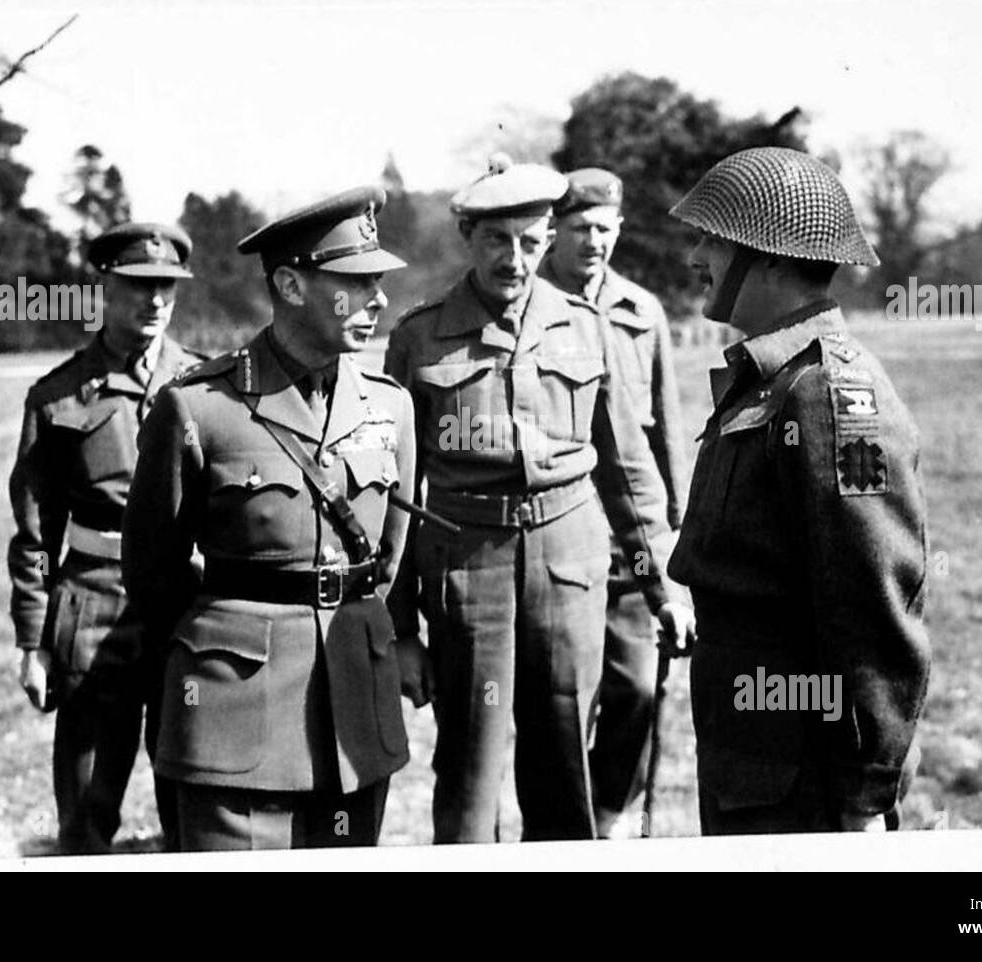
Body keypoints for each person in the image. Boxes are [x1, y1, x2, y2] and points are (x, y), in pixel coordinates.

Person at [384, 154, 695, 844]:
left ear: (549, 238)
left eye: (530, 241)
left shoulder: (586, 326)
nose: (515, 259)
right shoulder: (420, 335)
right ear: (468, 237)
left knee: (562, 762)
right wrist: (402, 630)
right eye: (497, 240)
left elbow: (627, 471)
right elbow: (397, 498)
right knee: (469, 769)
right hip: (468, 569)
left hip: (569, 566)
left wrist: (664, 586)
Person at [121, 186, 416, 850]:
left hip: (355, 717)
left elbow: (387, 560)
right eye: (356, 282)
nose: (377, 299)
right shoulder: (199, 407)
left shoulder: (389, 407)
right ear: (290, 284)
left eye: (378, 282)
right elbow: (153, 572)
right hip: (235, 719)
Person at [667, 146, 931, 834]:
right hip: (750, 759)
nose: (696, 256)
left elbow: (871, 608)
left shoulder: (827, 393)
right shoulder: (771, 379)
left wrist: (866, 794)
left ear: (770, 257)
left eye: (712, 240)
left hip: (802, 780)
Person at [7, 221, 205, 854]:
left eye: (167, 286)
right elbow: (36, 535)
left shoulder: (206, 384)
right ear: (104, 289)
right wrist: (33, 642)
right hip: (94, 601)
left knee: (195, 796)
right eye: (139, 285)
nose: (155, 300)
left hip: (184, 603)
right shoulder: (57, 397)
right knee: (88, 803)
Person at [539, 168, 690, 839]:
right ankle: (564, 832)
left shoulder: (640, 311)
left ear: (620, 230)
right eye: (579, 229)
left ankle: (611, 817)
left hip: (634, 540)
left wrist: (675, 535)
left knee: (638, 687)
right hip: (563, 533)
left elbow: (665, 427)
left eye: (604, 229)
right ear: (554, 232)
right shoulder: (533, 308)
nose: (593, 242)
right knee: (565, 701)